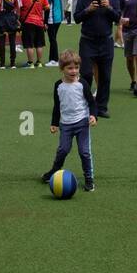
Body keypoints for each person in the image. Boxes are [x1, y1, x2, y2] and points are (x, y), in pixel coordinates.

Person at [41, 50, 97, 192]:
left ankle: (89, 179)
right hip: (65, 124)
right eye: (70, 68)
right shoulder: (58, 85)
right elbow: (57, 105)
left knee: (84, 152)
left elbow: (91, 102)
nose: (74, 71)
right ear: (62, 69)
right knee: (63, 150)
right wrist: (54, 123)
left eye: (76, 68)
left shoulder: (82, 84)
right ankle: (53, 172)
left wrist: (93, 115)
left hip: (82, 123)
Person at [74, 0, 119, 117]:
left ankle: (101, 107)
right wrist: (88, 10)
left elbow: (118, 18)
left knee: (105, 76)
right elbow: (76, 18)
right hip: (87, 41)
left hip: (106, 41)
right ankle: (86, 105)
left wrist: (109, 8)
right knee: (86, 73)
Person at [18, 0, 47, 68]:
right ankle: (39, 62)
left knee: (29, 44)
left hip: (27, 22)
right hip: (39, 22)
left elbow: (18, 8)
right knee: (39, 44)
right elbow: (47, 8)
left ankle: (30, 63)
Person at [44, 0, 63, 67]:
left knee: (52, 39)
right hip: (58, 18)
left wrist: (45, 22)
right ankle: (53, 59)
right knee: (53, 39)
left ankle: (54, 60)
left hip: (52, 18)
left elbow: (46, 7)